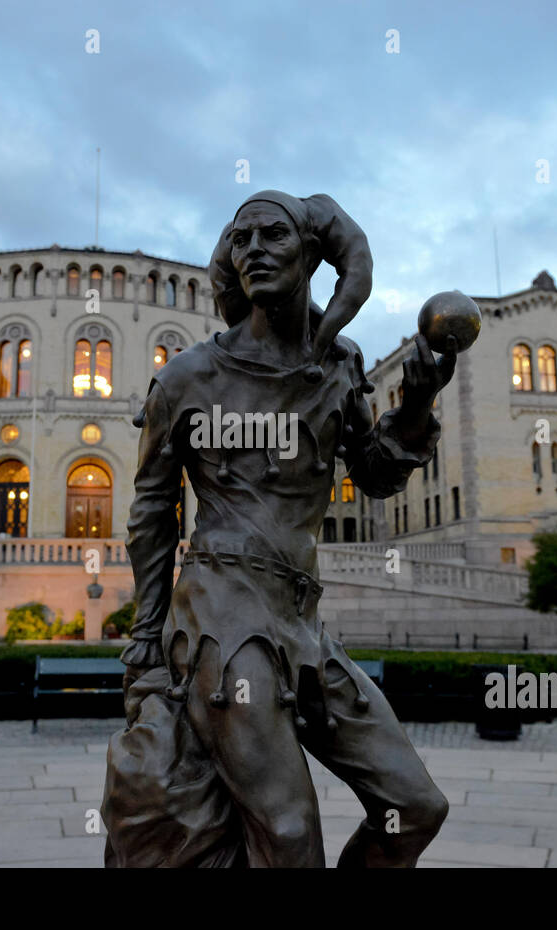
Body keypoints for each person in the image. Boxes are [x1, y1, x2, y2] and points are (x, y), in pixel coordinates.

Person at [102, 190, 454, 867]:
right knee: (289, 831)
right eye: (241, 239)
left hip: (301, 620)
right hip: (220, 618)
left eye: (273, 235)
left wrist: (416, 400)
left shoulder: (338, 367)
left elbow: (376, 471)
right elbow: (151, 508)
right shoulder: (189, 376)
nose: (253, 249)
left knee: (413, 807)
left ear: (313, 255)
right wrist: (145, 638)